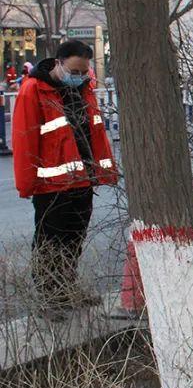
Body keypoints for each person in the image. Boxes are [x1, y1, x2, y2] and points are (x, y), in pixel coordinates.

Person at [13, 40, 118, 320]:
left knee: (74, 239)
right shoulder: (34, 89)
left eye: (84, 72)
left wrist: (103, 170)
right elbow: (24, 139)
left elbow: (94, 132)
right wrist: (27, 183)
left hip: (82, 179)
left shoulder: (83, 88)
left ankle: (66, 290)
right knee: (50, 242)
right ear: (58, 63)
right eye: (75, 71)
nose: (80, 76)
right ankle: (49, 299)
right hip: (52, 186)